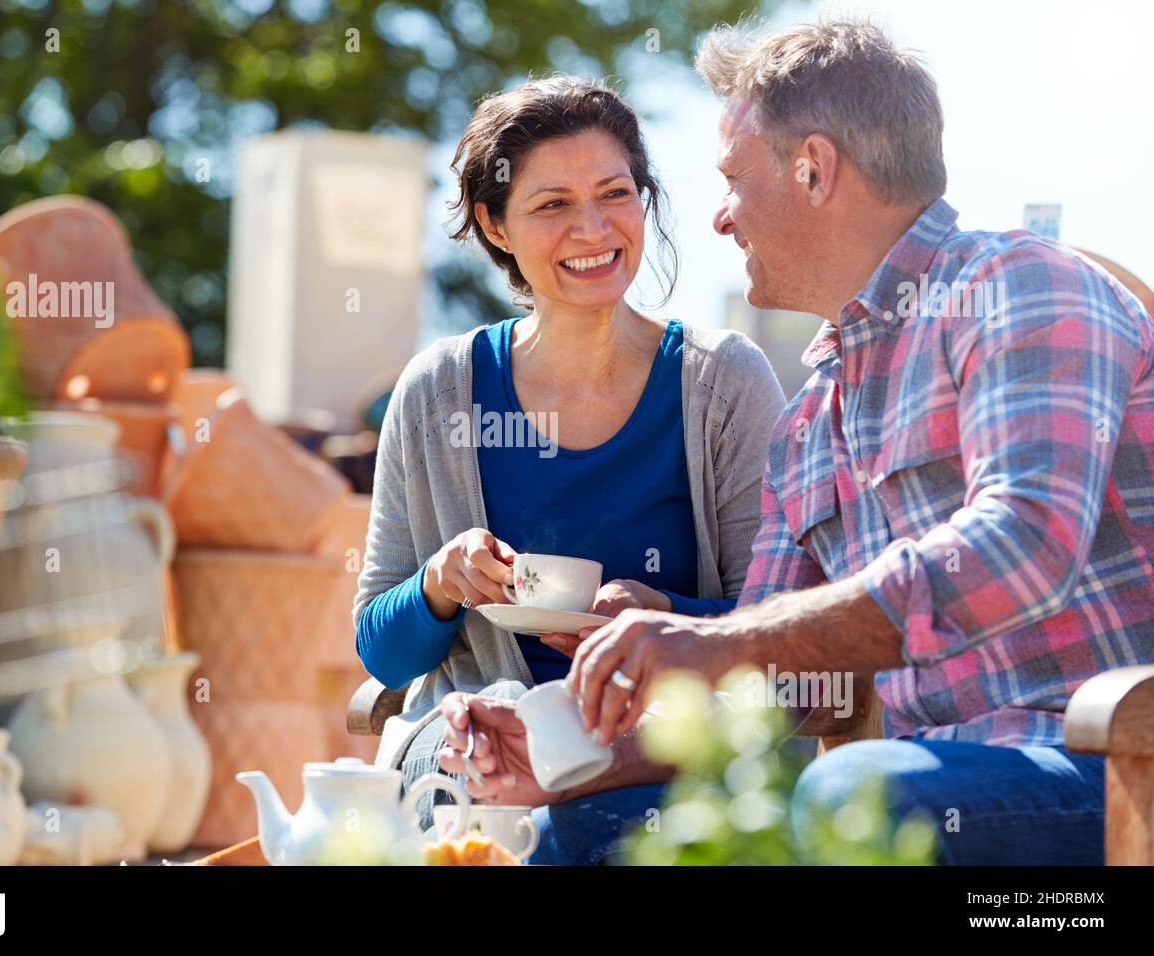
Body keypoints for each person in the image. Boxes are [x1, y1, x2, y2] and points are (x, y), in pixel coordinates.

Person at [439, 19, 1154, 865]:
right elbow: (768, 691)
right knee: (575, 834)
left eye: (733, 180)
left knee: (853, 792)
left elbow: (1025, 543)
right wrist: (573, 766)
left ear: (813, 169)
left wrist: (723, 639)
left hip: (1110, 771)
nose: (717, 217)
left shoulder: (1018, 285)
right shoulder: (812, 418)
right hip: (917, 788)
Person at [352, 75, 787, 826]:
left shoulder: (724, 383)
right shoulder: (438, 391)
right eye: (553, 205)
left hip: (661, 741)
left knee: (593, 820)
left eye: (615, 194)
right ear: (495, 225)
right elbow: (382, 657)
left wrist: (667, 615)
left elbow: (782, 623)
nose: (593, 229)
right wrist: (440, 583)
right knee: (489, 792)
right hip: (472, 731)